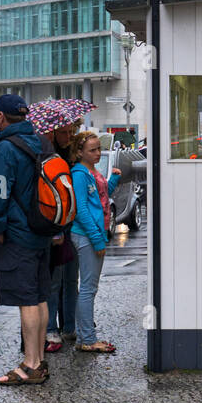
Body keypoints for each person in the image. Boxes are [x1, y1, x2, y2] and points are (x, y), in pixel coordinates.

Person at [0, 94, 52, 385]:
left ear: (0, 116)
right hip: (42, 230)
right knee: (39, 296)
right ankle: (39, 360)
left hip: (18, 234)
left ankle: (30, 364)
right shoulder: (40, 142)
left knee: (26, 300)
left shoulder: (5, 149)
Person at [71, 130, 122, 353]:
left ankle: (84, 336)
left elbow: (101, 198)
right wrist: (96, 239)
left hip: (92, 233)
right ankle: (88, 339)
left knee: (88, 288)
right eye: (92, 150)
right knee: (88, 289)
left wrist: (115, 180)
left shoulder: (91, 171)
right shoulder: (80, 174)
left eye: (99, 148)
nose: (97, 153)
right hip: (85, 235)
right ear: (79, 151)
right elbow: (81, 209)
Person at [45, 120, 83, 351]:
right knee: (54, 281)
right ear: (53, 133)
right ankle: (51, 328)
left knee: (71, 279)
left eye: (71, 132)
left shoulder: (74, 158)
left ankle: (69, 326)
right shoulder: (50, 158)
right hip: (58, 225)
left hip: (73, 225)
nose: (67, 136)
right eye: (63, 132)